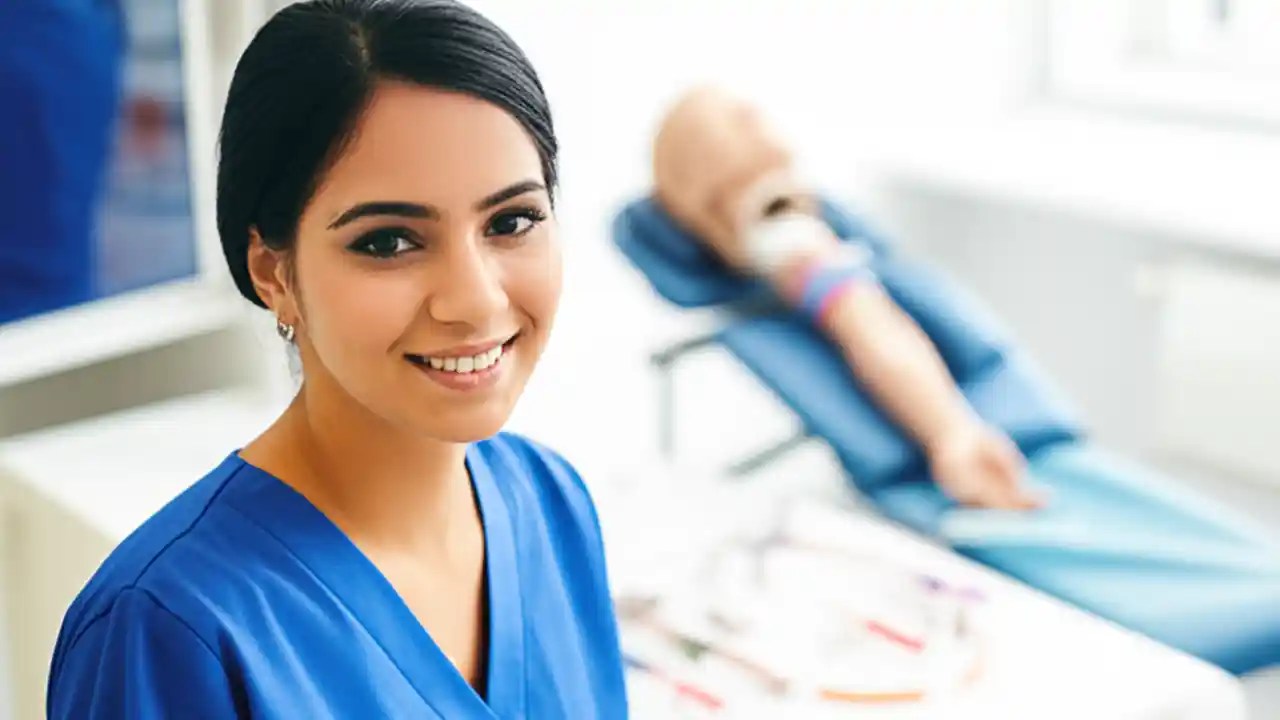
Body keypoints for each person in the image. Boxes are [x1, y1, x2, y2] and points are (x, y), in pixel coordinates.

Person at [46, 1, 628, 717]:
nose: (474, 301)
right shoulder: (169, 627)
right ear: (272, 273)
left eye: (511, 222)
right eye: (388, 241)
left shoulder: (551, 503)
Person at [652, 86, 1042, 511]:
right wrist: (952, 436)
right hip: (951, 441)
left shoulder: (802, 247)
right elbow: (872, 331)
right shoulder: (796, 252)